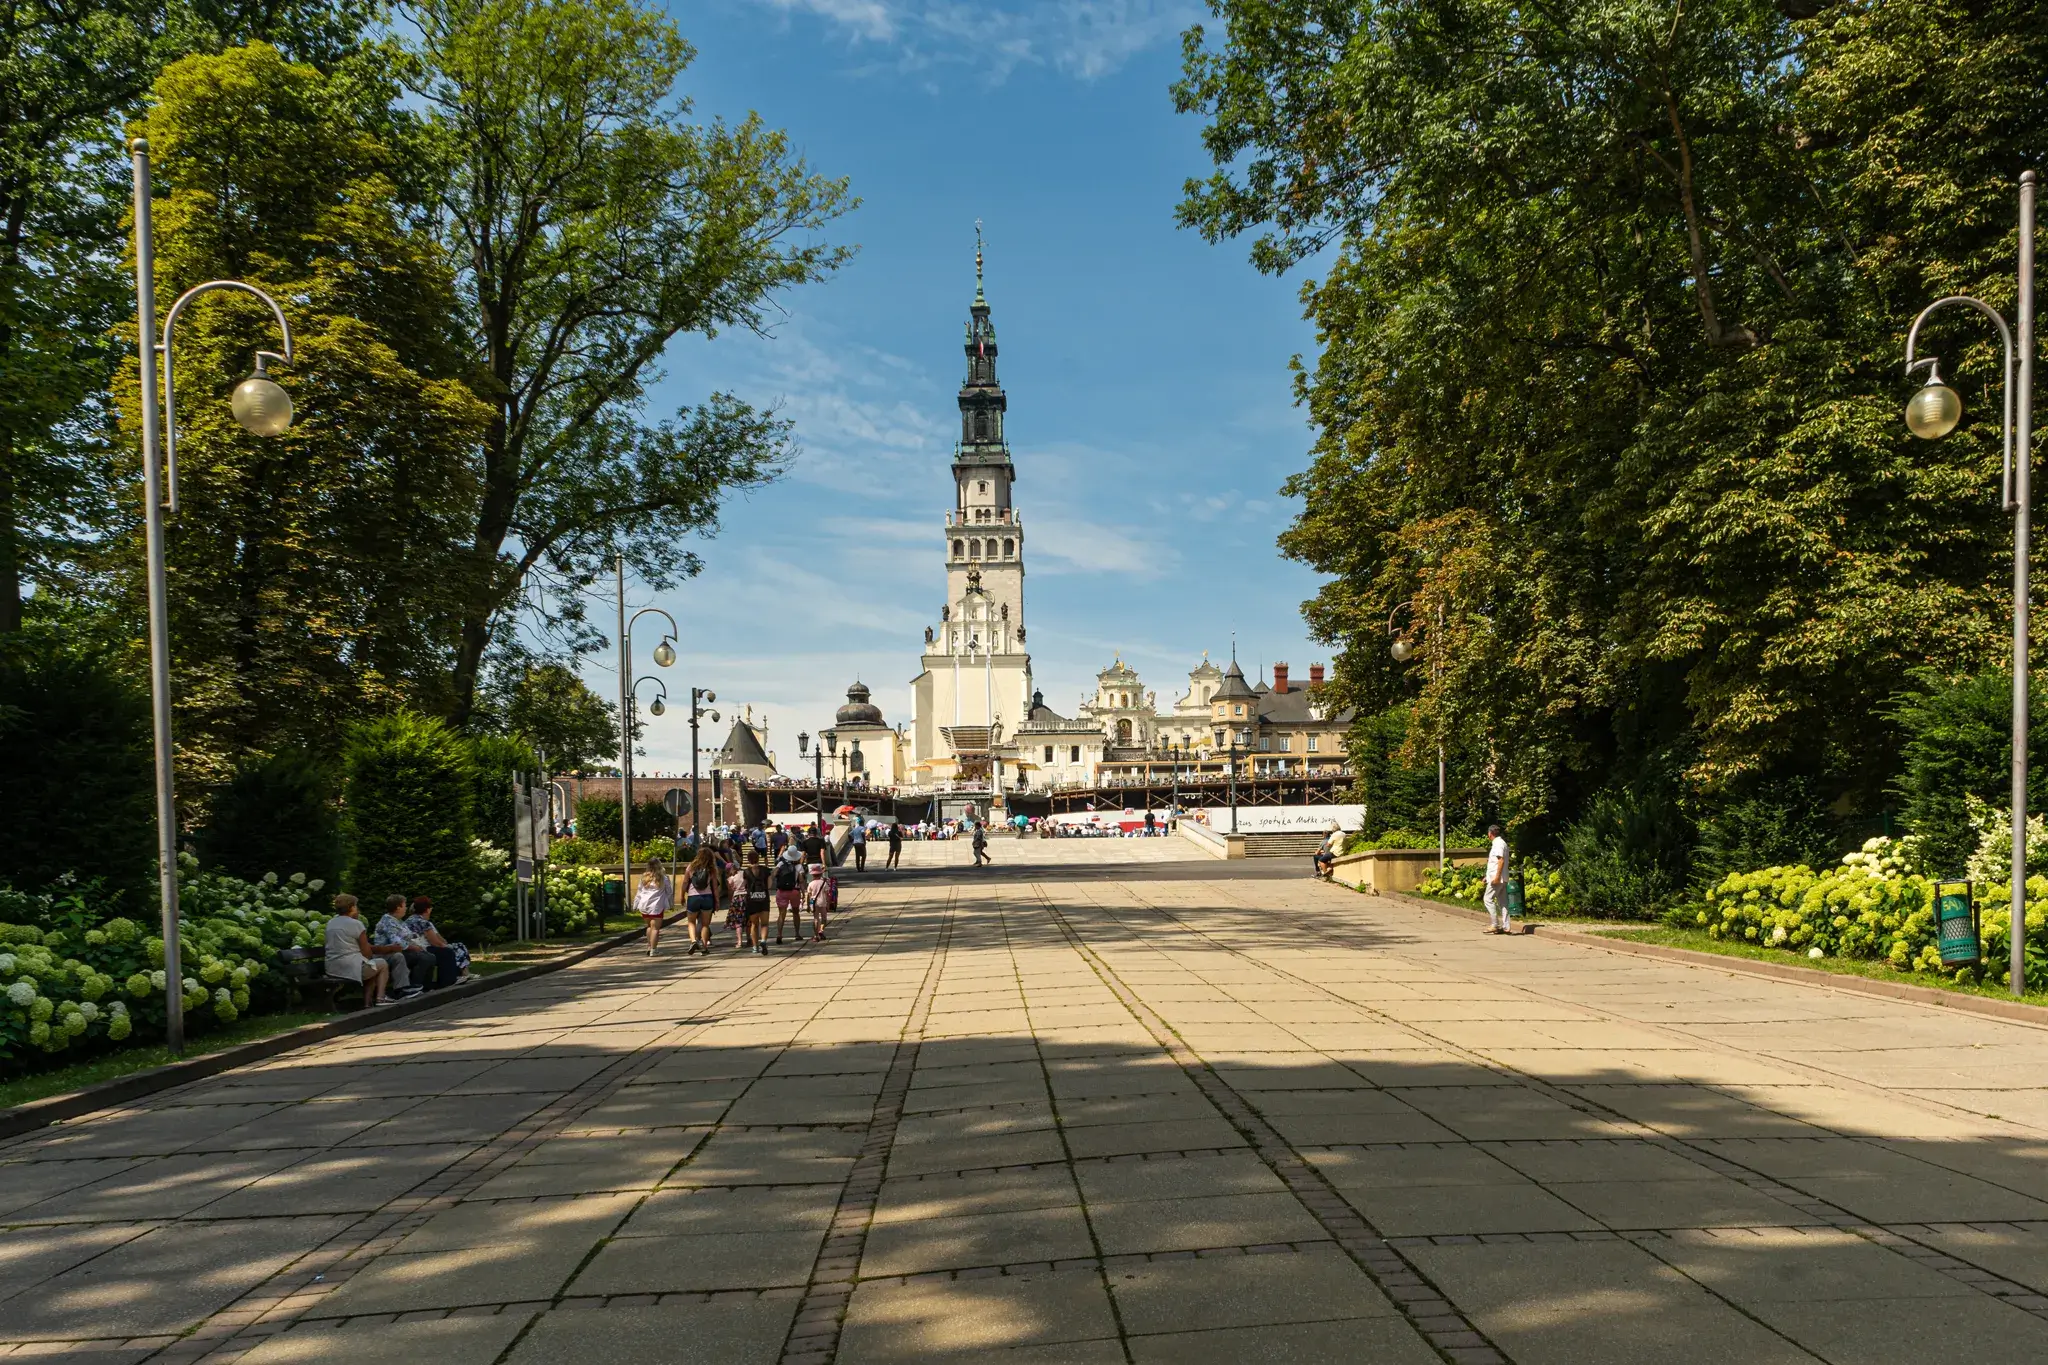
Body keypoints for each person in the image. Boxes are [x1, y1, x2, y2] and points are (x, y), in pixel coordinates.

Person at [324, 893, 394, 1008]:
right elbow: (366, 952)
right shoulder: (356, 924)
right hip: (350, 967)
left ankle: (368, 1003)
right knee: (381, 964)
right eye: (356, 906)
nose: (357, 909)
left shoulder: (331, 923)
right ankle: (381, 998)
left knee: (371, 965)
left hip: (332, 967)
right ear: (351, 907)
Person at [372, 895, 431, 995]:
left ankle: (422, 985)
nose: (406, 908)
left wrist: (418, 945)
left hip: (400, 950)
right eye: (404, 905)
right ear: (398, 907)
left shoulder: (399, 921)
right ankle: (409, 986)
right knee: (423, 957)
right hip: (387, 953)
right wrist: (413, 947)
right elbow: (397, 941)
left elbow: (409, 936)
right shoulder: (387, 921)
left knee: (428, 956)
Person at [403, 896, 467, 987]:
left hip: (412, 948)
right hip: (422, 948)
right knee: (447, 952)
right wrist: (446, 946)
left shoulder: (409, 920)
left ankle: (457, 975)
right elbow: (435, 942)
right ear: (428, 910)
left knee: (448, 949)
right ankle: (449, 980)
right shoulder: (423, 922)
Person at [681, 847, 720, 954]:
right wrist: (717, 901)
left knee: (691, 922)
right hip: (707, 897)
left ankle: (693, 941)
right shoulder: (711, 868)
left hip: (693, 897)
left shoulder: (691, 867)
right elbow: (715, 887)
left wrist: (682, 896)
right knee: (705, 924)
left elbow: (685, 882)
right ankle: (704, 946)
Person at [634, 864, 672, 955]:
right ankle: (653, 950)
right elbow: (669, 891)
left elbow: (639, 892)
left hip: (644, 905)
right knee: (655, 928)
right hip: (656, 906)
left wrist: (635, 904)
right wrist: (670, 903)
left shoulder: (644, 878)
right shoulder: (664, 878)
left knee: (649, 927)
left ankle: (649, 946)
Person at [774, 844, 806, 943]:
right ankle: (797, 934)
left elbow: (774, 874)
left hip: (781, 891)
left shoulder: (780, 864)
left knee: (781, 914)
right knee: (796, 913)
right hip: (794, 891)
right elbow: (801, 881)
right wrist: (803, 892)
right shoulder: (799, 866)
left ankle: (779, 934)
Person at [742, 850, 772, 955]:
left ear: (748, 859)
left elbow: (744, 886)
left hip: (752, 900)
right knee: (764, 924)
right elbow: (769, 886)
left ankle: (755, 947)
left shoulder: (746, 872)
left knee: (754, 924)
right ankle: (763, 941)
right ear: (758, 858)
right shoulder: (765, 870)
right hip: (764, 899)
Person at [1485, 823, 1512, 934]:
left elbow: (1500, 861)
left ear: (1490, 834)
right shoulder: (1501, 843)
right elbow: (1495, 863)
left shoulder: (1498, 844)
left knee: (1488, 899)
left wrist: (1496, 877)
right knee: (1503, 902)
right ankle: (1506, 926)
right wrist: (1486, 877)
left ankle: (1495, 924)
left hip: (1498, 878)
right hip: (1502, 877)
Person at [804, 862, 832, 941]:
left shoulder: (811, 884)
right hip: (823, 903)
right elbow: (827, 895)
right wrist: (828, 904)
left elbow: (809, 895)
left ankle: (816, 935)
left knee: (816, 919)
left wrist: (808, 905)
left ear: (812, 875)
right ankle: (821, 930)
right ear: (820, 874)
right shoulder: (824, 883)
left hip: (814, 903)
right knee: (824, 918)